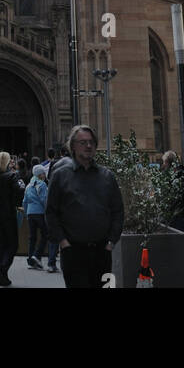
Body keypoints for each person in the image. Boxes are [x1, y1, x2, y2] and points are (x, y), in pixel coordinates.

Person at [45, 124, 124, 290]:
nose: (88, 146)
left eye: (91, 142)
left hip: (103, 252)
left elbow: (118, 211)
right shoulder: (60, 176)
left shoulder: (107, 176)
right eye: (83, 142)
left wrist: (111, 242)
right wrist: (63, 243)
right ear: (73, 146)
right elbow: (51, 212)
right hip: (73, 252)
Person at [0, 151, 25, 287]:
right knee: (13, 244)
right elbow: (20, 190)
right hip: (7, 212)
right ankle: (2, 269)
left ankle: (0, 272)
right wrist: (16, 202)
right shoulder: (13, 175)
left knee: (2, 244)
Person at [161, 149, 184, 230]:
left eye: (164, 162)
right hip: (180, 211)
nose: (163, 164)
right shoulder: (183, 174)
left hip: (176, 211)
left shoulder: (172, 176)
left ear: (167, 162)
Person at [23, 163, 49, 270]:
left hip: (30, 213)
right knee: (45, 234)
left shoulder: (29, 185)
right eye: (43, 173)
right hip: (39, 213)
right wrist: (48, 211)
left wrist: (26, 212)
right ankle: (37, 256)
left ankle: (30, 260)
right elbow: (44, 200)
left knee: (32, 237)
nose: (45, 175)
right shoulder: (42, 185)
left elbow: (24, 201)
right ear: (39, 174)